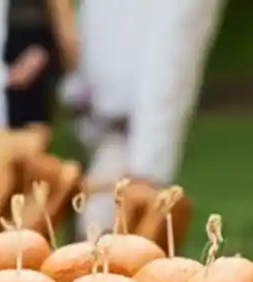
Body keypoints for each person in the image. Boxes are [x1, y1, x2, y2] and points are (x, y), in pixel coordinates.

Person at [67, 0, 225, 229]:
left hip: (128, 137)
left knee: (105, 234)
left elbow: (172, 65)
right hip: (94, 124)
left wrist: (146, 168)